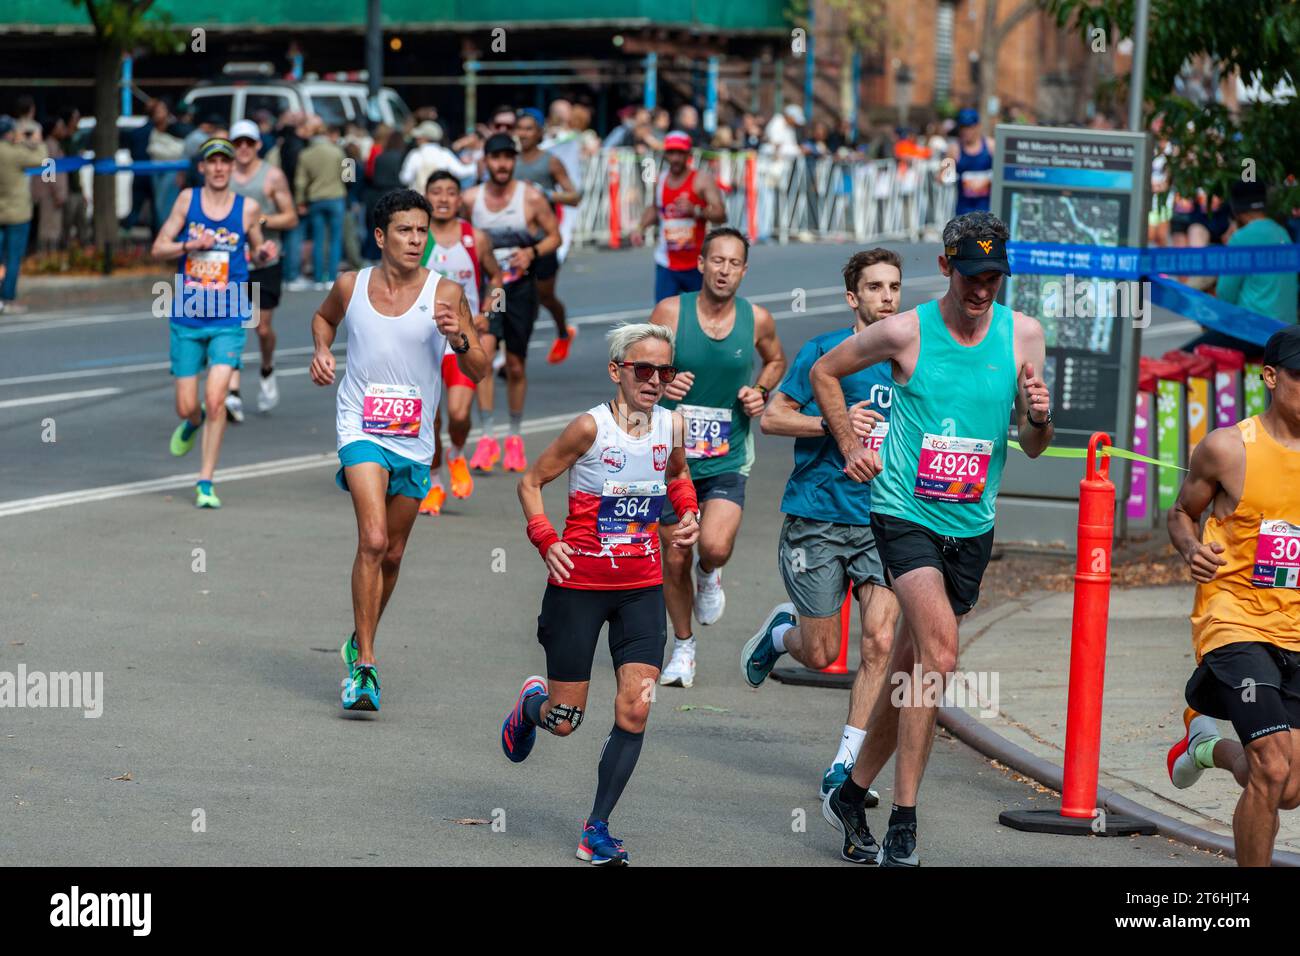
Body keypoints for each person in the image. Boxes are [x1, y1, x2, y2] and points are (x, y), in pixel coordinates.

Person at [812, 211, 1053, 866]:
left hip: (971, 524)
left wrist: (1039, 417)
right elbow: (825, 372)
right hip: (904, 513)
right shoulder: (904, 330)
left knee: (910, 670)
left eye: (994, 278)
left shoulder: (1023, 334)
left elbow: (1033, 447)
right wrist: (848, 443)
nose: (982, 291)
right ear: (946, 267)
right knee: (940, 657)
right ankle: (905, 819)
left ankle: (850, 789)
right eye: (972, 276)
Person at [500, 322, 700, 864]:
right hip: (579, 587)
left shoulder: (671, 426)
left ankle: (597, 826)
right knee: (567, 722)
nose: (655, 380)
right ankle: (532, 706)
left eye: (664, 371)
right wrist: (545, 538)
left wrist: (688, 514)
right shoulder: (589, 429)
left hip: (640, 588)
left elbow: (678, 477)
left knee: (637, 708)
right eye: (644, 369)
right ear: (618, 371)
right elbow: (530, 482)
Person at [309, 187, 487, 711]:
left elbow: (477, 369)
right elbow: (324, 319)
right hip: (360, 426)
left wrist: (459, 339)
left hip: (413, 438)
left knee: (393, 553)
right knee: (373, 538)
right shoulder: (351, 285)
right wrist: (322, 350)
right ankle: (365, 667)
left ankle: (356, 638)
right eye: (405, 230)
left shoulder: (446, 294)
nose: (416, 239)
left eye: (422, 230)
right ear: (381, 236)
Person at [745, 249, 904, 821]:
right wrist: (834, 425)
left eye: (893, 286)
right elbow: (771, 417)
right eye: (874, 287)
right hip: (818, 515)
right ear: (852, 297)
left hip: (885, 521)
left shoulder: (913, 361)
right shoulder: (823, 354)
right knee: (822, 653)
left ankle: (845, 764)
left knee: (881, 643)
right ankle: (782, 630)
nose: (887, 297)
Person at [1165, 325, 1300, 867]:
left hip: (1294, 625)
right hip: (1235, 620)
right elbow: (1180, 513)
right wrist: (1190, 548)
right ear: (1270, 377)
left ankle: (1201, 746)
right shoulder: (1227, 448)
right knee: (1271, 767)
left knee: (1286, 785)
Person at [651, 227, 786, 687]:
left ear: (744, 270)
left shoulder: (758, 319)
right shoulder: (672, 311)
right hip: (671, 456)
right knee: (673, 557)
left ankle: (710, 574)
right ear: (701, 264)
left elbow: (775, 360)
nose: (725, 270)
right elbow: (637, 367)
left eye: (734, 263)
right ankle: (684, 649)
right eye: (717, 261)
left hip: (727, 455)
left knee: (713, 545)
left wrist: (760, 391)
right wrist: (662, 385)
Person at [151, 138, 278, 508]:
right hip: (187, 318)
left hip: (229, 316)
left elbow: (256, 248)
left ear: (231, 168)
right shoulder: (187, 202)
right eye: (213, 162)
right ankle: (192, 422)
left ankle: (205, 481)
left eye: (225, 162)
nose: (220, 168)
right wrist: (189, 246)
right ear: (203, 168)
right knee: (187, 406)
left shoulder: (248, 208)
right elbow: (158, 248)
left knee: (216, 399)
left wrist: (263, 252)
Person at [462, 132, 560, 474]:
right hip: (490, 288)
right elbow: (453, 230)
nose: (501, 164)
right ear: (485, 161)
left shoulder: (529, 197)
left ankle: (514, 438)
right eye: (495, 158)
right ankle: (487, 438)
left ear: (514, 161)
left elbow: (555, 236)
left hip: (519, 289)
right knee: (484, 356)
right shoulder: (470, 199)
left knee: (515, 366)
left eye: (507, 158)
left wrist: (531, 251)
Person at [417, 170, 500, 514]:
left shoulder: (475, 238)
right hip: (425, 341)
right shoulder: (417, 240)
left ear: (459, 199)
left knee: (459, 412)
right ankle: (435, 481)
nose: (443, 198)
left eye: (451, 192)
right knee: (431, 420)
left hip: (463, 338)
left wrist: (487, 311)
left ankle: (457, 453)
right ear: (426, 197)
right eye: (436, 192)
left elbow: (496, 277)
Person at [227, 118, 299, 420]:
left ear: (258, 144)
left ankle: (267, 369)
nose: (243, 148)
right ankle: (231, 392)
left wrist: (259, 222)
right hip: (231, 261)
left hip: (266, 259)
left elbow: (291, 217)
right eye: (237, 143)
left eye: (249, 142)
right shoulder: (223, 175)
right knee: (232, 327)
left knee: (262, 327)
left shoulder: (272, 177)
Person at [514, 108, 581, 364]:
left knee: (545, 296)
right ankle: (504, 350)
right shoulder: (509, 161)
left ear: (540, 132)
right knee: (503, 298)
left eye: (529, 128)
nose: (523, 133)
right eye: (520, 128)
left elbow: (574, 197)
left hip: (544, 241)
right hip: (513, 243)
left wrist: (548, 194)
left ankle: (563, 332)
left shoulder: (550, 161)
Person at [632, 131, 726, 303]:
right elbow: (655, 209)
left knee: (703, 316)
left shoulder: (701, 180)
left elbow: (721, 215)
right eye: (671, 153)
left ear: (688, 154)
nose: (675, 158)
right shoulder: (660, 180)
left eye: (680, 153)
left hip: (697, 263)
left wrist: (696, 210)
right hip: (666, 263)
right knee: (663, 319)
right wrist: (640, 228)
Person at [0, 115, 47, 316]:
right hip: (17, 213)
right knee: (13, 259)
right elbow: (43, 160)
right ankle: (7, 299)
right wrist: (36, 140)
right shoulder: (14, 152)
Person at [294, 116, 347, 289]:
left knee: (318, 238)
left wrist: (300, 200)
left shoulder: (305, 154)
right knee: (335, 238)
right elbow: (350, 174)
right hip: (336, 196)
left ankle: (318, 278)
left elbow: (300, 181)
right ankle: (332, 277)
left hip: (315, 198)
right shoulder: (337, 151)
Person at [398, 120, 476, 194]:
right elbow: (461, 172)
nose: (417, 139)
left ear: (424, 138)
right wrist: (474, 164)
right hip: (438, 199)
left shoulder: (415, 154)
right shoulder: (444, 154)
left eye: (419, 137)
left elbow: (405, 178)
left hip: (418, 201)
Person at [947, 109, 993, 216]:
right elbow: (944, 176)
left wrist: (987, 180)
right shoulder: (954, 148)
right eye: (963, 127)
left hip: (987, 209)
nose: (966, 131)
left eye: (969, 127)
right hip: (963, 210)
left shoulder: (990, 146)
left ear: (978, 126)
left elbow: (1003, 174)